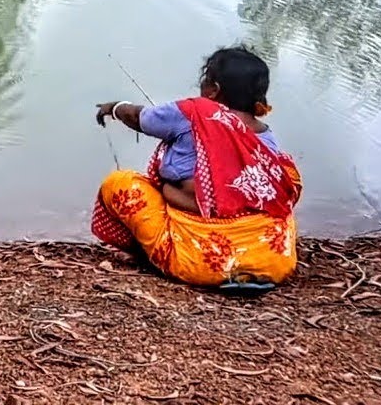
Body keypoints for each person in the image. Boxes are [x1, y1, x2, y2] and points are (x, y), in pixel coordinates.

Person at [91, 46, 302, 286]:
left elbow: (140, 118)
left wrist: (115, 108)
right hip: (274, 262)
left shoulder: (192, 112)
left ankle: (145, 252)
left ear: (214, 90)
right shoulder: (266, 137)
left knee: (120, 183)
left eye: (205, 79)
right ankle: (251, 260)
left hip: (198, 261)